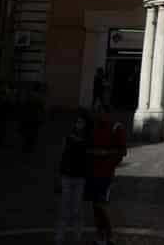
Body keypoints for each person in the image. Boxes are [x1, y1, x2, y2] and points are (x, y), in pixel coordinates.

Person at [85, 105, 127, 245]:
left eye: (102, 113)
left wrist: (106, 153)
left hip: (106, 173)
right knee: (95, 207)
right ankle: (100, 237)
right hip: (93, 172)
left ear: (109, 114)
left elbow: (122, 151)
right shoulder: (94, 127)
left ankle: (109, 235)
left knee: (101, 205)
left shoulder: (116, 128)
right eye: (98, 113)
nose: (99, 115)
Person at [55, 110, 92, 245]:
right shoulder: (69, 137)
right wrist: (59, 175)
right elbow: (63, 156)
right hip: (67, 176)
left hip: (80, 177)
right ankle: (59, 237)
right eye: (77, 122)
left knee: (77, 209)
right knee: (64, 208)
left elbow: (88, 159)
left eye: (81, 122)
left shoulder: (88, 139)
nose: (78, 124)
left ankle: (77, 237)